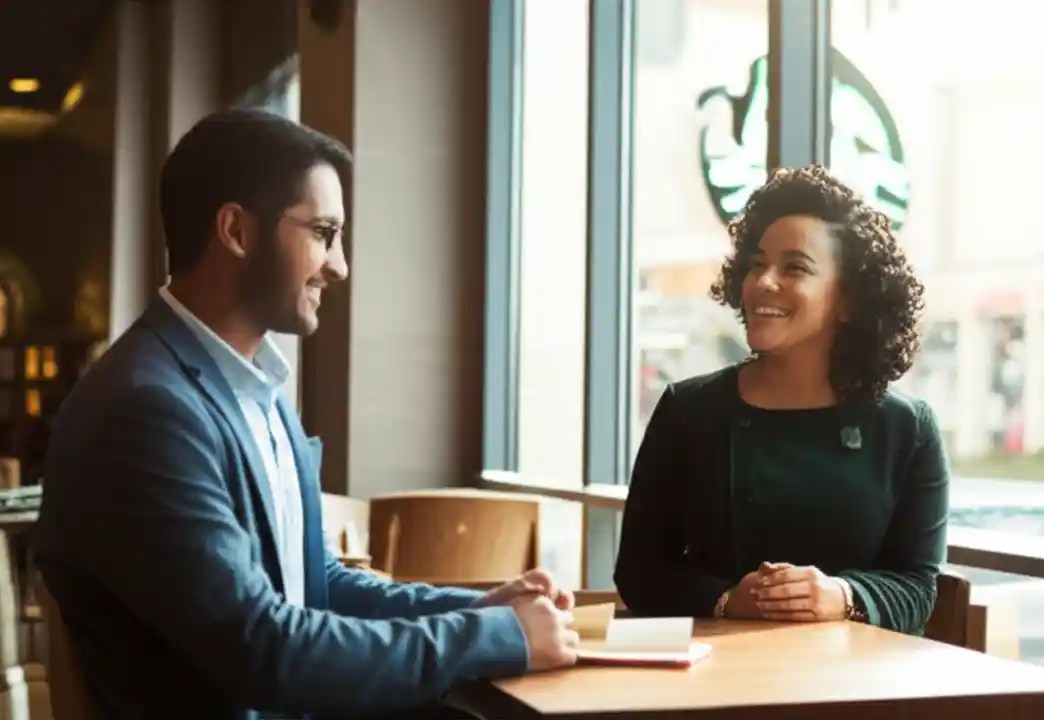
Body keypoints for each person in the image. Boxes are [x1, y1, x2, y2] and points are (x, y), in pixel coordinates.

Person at [33, 108, 578, 719]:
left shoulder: (253, 388)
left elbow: (317, 586)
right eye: (323, 233)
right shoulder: (145, 412)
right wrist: (494, 637)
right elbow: (266, 652)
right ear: (236, 232)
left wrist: (478, 612)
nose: (339, 265)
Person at [614, 165, 948, 634]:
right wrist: (728, 600)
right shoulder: (687, 411)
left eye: (795, 268)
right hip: (712, 680)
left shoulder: (907, 428)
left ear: (849, 300)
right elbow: (639, 573)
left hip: (854, 689)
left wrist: (842, 596)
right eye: (756, 263)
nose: (764, 282)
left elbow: (916, 586)